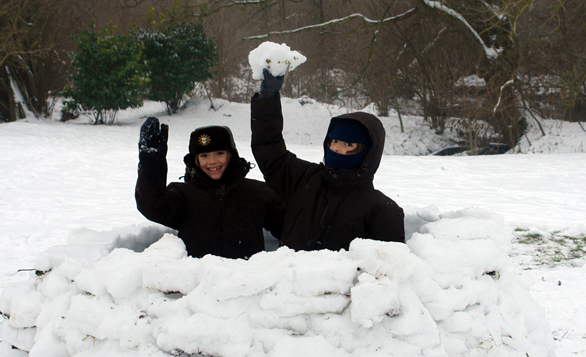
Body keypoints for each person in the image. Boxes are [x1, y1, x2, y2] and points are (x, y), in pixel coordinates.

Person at [250, 69, 405, 251]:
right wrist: (267, 99)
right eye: (333, 141)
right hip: (287, 278)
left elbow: (384, 272)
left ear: (367, 152)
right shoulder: (305, 180)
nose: (336, 148)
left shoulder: (382, 210)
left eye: (348, 144)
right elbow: (269, 150)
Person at [135, 118, 284, 259]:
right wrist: (151, 162)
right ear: (195, 160)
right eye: (204, 155)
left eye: (219, 153)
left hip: (249, 280)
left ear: (231, 155)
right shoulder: (183, 195)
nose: (212, 161)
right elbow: (152, 204)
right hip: (201, 282)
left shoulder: (257, 192)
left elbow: (288, 224)